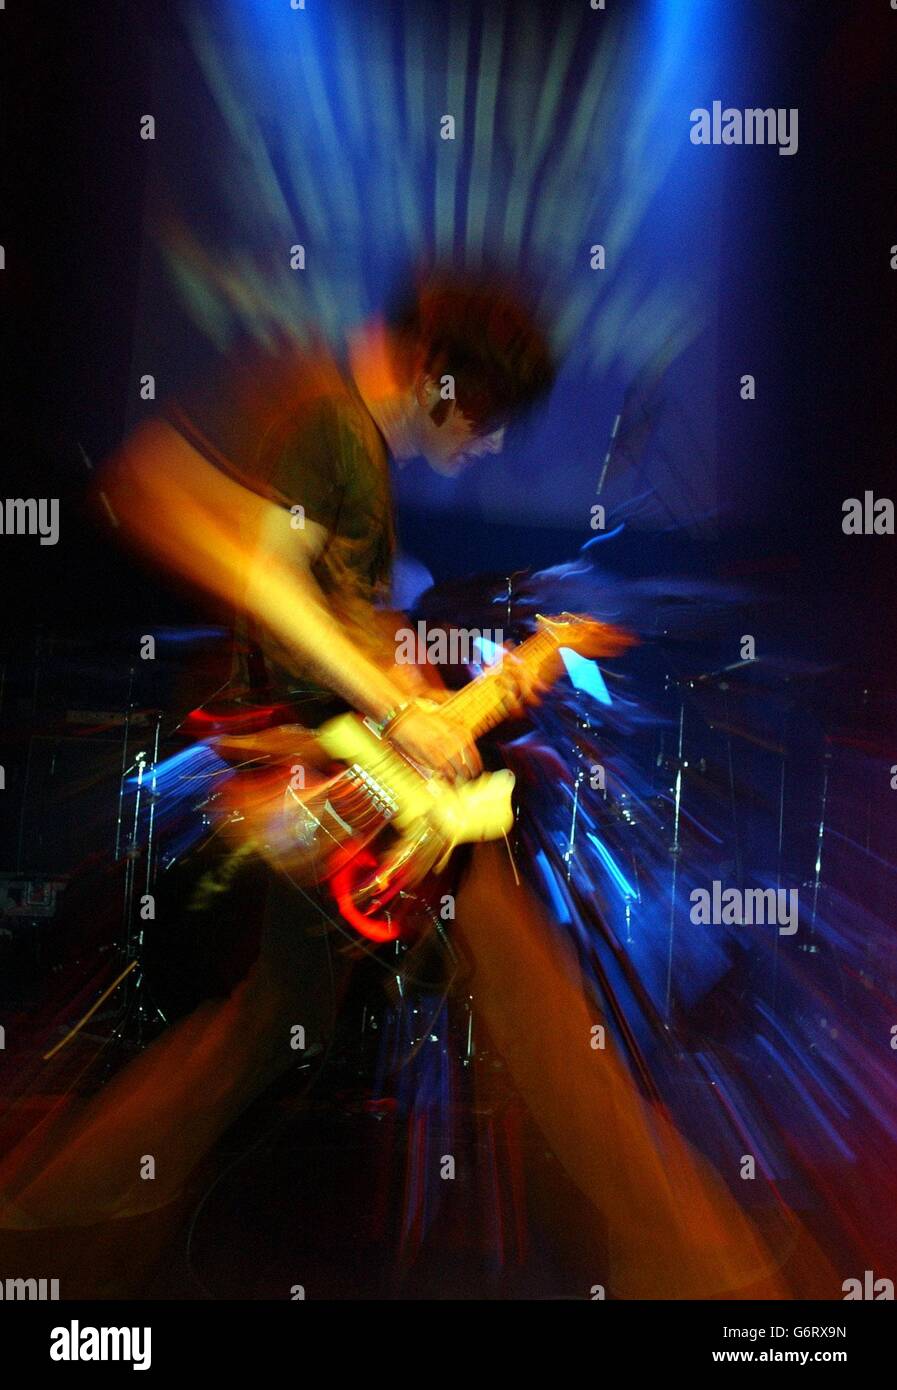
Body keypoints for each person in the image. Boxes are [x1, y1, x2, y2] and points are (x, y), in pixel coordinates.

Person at [0, 270, 825, 1298]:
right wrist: (397, 713)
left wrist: (473, 683)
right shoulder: (328, 425)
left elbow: (327, 622)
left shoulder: (348, 441)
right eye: (485, 422)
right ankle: (689, 1253)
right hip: (322, 779)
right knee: (523, 980)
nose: (483, 448)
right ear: (442, 380)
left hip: (339, 774)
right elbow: (270, 590)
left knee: (263, 1026)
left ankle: (53, 1215)